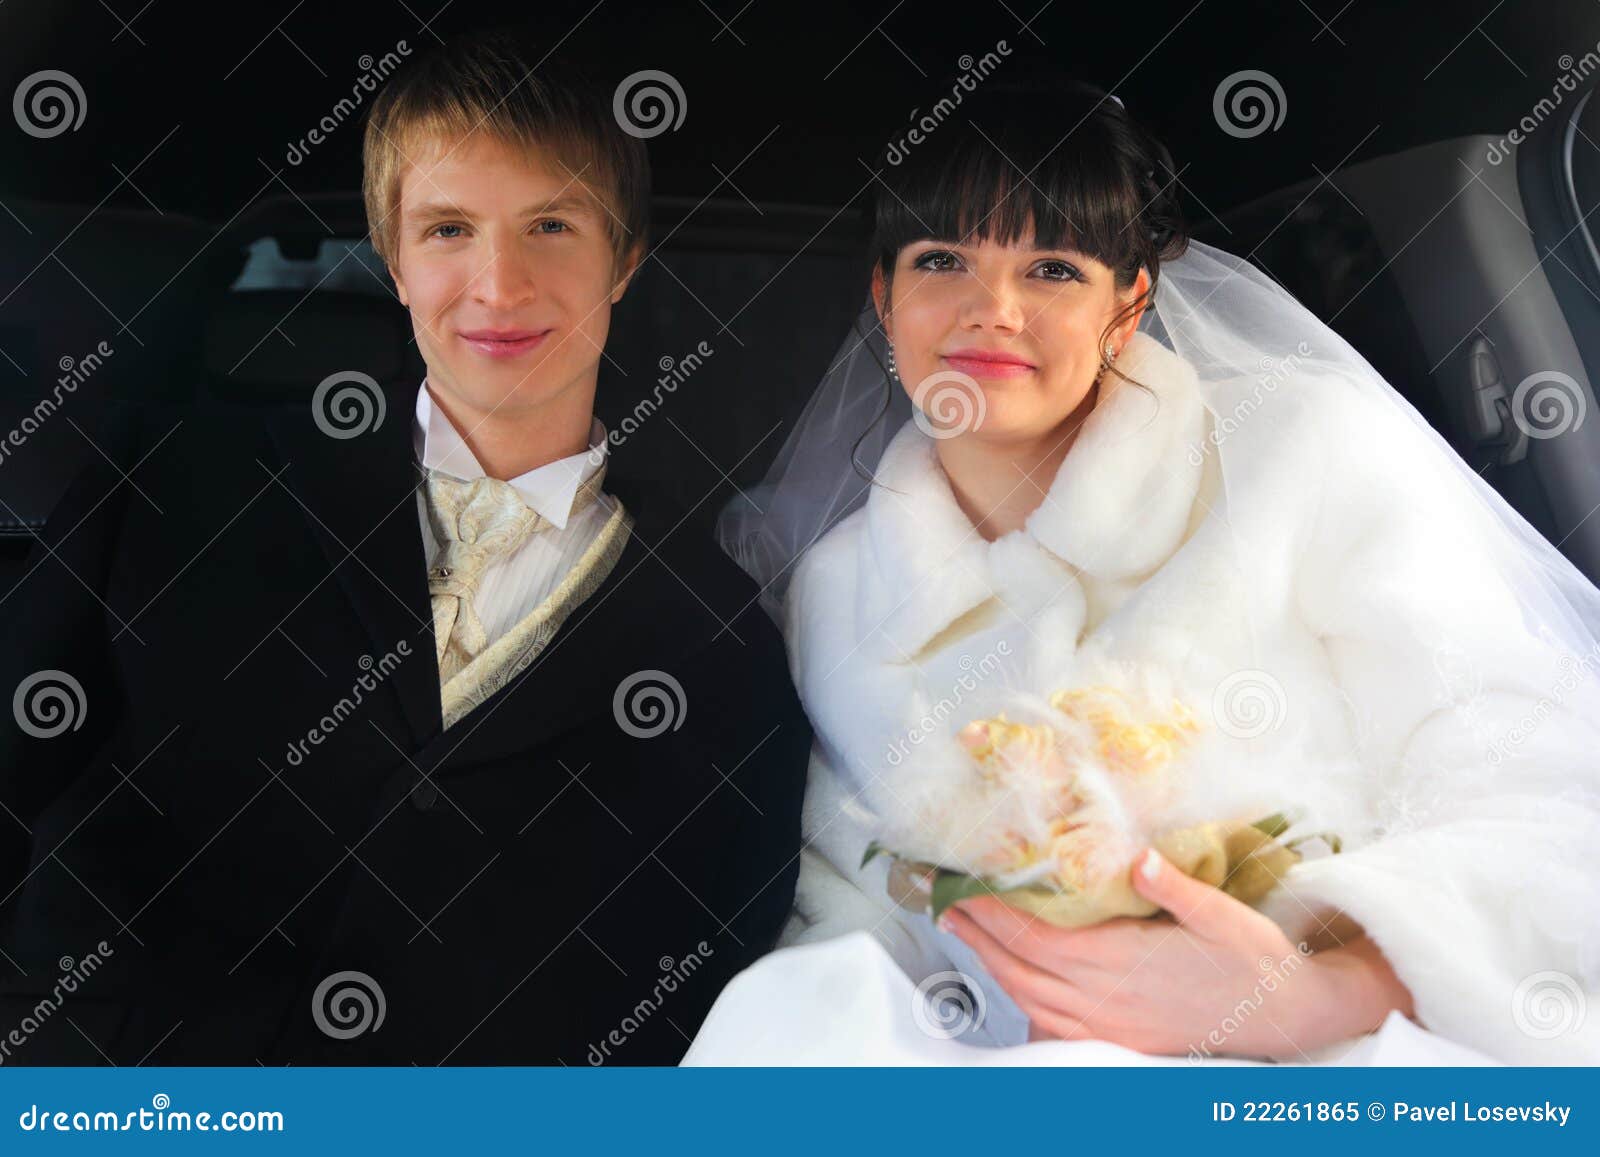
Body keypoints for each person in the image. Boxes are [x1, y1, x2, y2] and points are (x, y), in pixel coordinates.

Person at [711, 77, 1600, 1064]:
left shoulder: (1299, 447)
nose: (990, 311)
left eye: (1051, 267)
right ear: (884, 298)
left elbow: (1543, 780)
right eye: (942, 259)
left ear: (1127, 308)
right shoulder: (840, 590)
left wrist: (1326, 986)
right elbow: (847, 906)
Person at [0, 28, 809, 1065]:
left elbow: (701, 989)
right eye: (448, 229)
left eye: (551, 225)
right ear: (393, 262)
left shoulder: (726, 641)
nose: (498, 283)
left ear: (625, 261)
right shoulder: (170, 484)